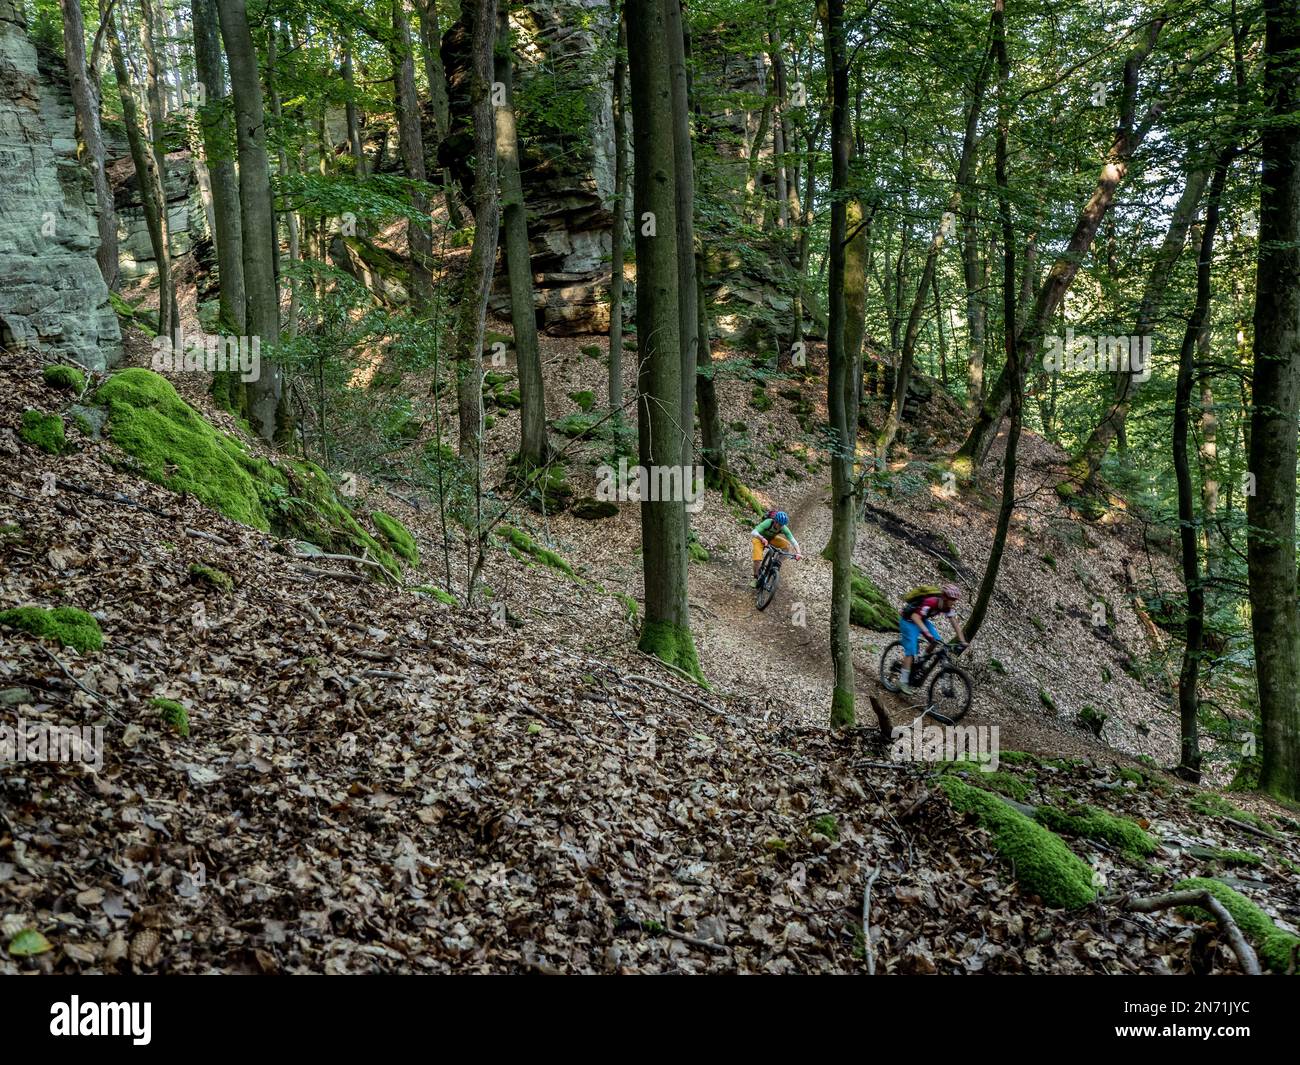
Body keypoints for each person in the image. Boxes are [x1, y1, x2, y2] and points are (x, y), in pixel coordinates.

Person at [898, 583, 968, 694]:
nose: (954, 602)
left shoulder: (947, 607)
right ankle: (903, 681)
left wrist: (962, 640)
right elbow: (915, 616)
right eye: (952, 599)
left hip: (922, 620)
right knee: (911, 650)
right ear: (945, 598)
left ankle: (921, 659)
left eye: (955, 600)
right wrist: (926, 632)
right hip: (909, 621)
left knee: (937, 640)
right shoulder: (931, 602)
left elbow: (955, 624)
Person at [751, 510, 802, 584]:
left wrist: (798, 553)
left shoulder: (783, 527)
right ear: (775, 521)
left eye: (782, 525)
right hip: (759, 539)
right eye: (779, 524)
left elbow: (793, 540)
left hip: (771, 538)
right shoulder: (768, 522)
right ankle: (756, 577)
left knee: (786, 546)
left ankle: (777, 563)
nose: (780, 526)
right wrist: (762, 538)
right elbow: (753, 532)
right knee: (757, 559)